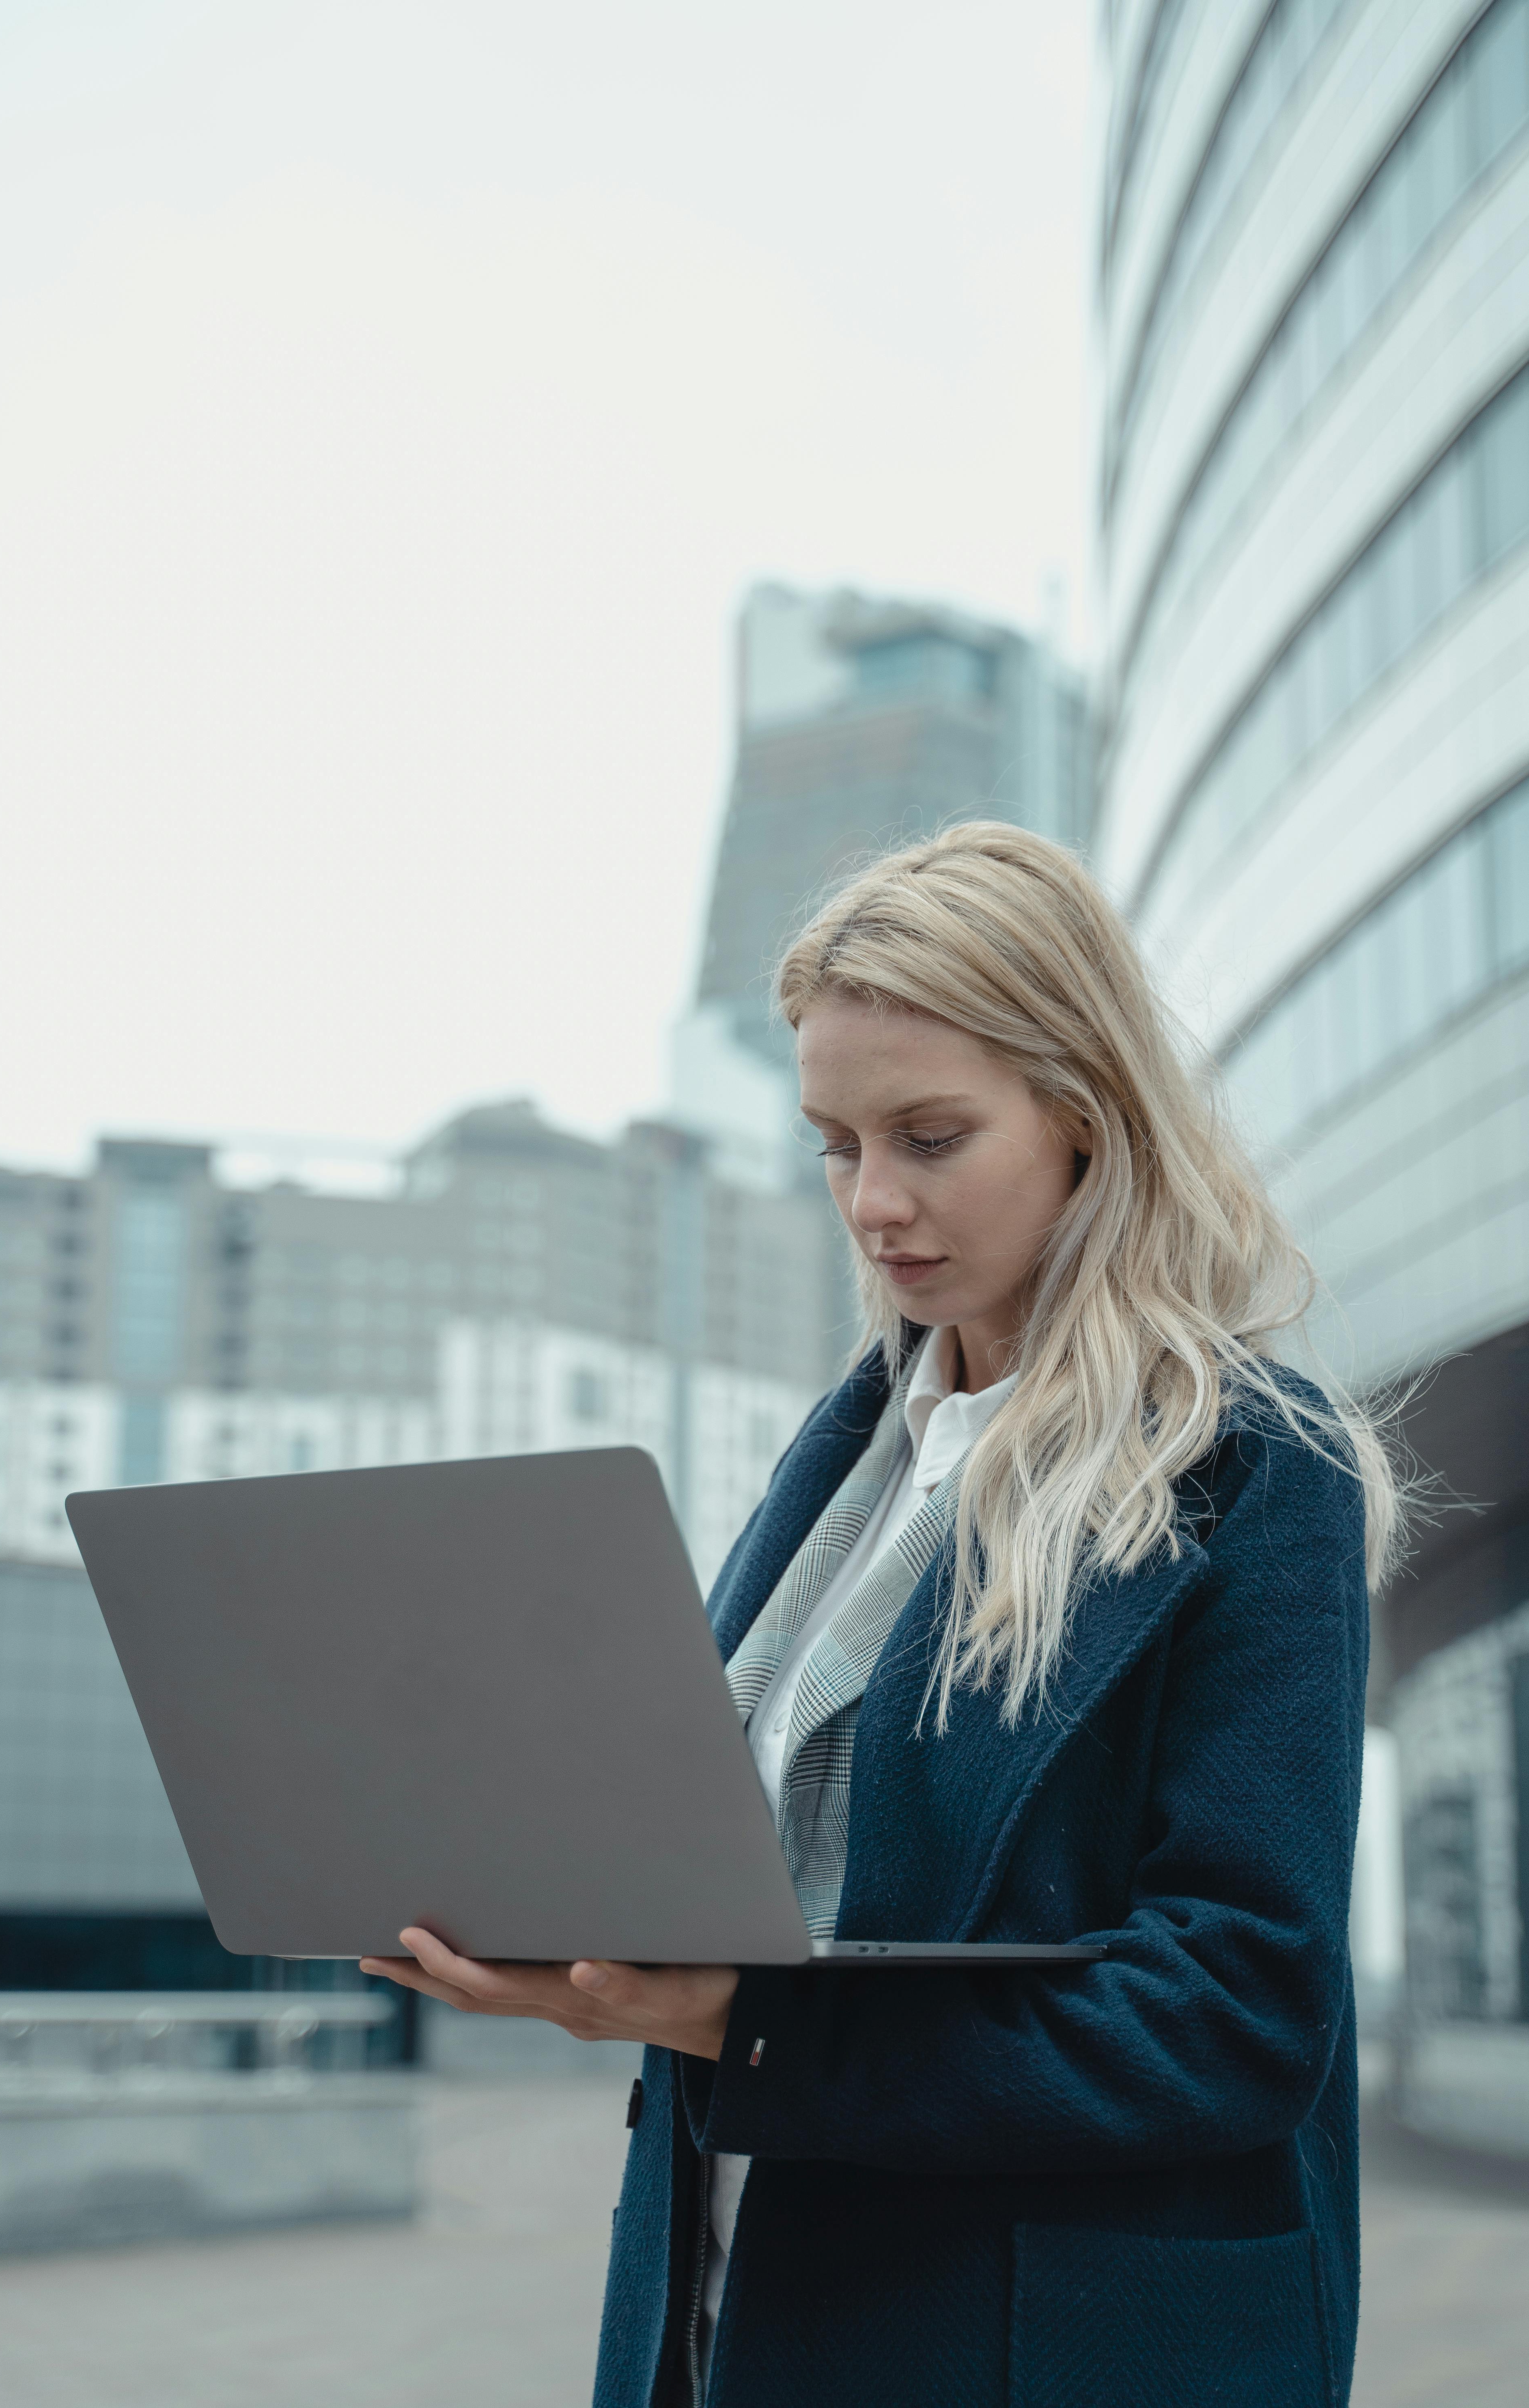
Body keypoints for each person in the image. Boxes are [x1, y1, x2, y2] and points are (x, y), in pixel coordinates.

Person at [365, 824, 1400, 2407]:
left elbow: (1231, 2011)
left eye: (928, 1135)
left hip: (1035, 2336)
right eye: (833, 1143)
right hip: (732, 2298)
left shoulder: (1250, 1466)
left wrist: (750, 2024)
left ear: (1085, 1114)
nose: (869, 1199)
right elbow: (749, 1887)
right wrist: (565, 1944)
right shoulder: (848, 1456)